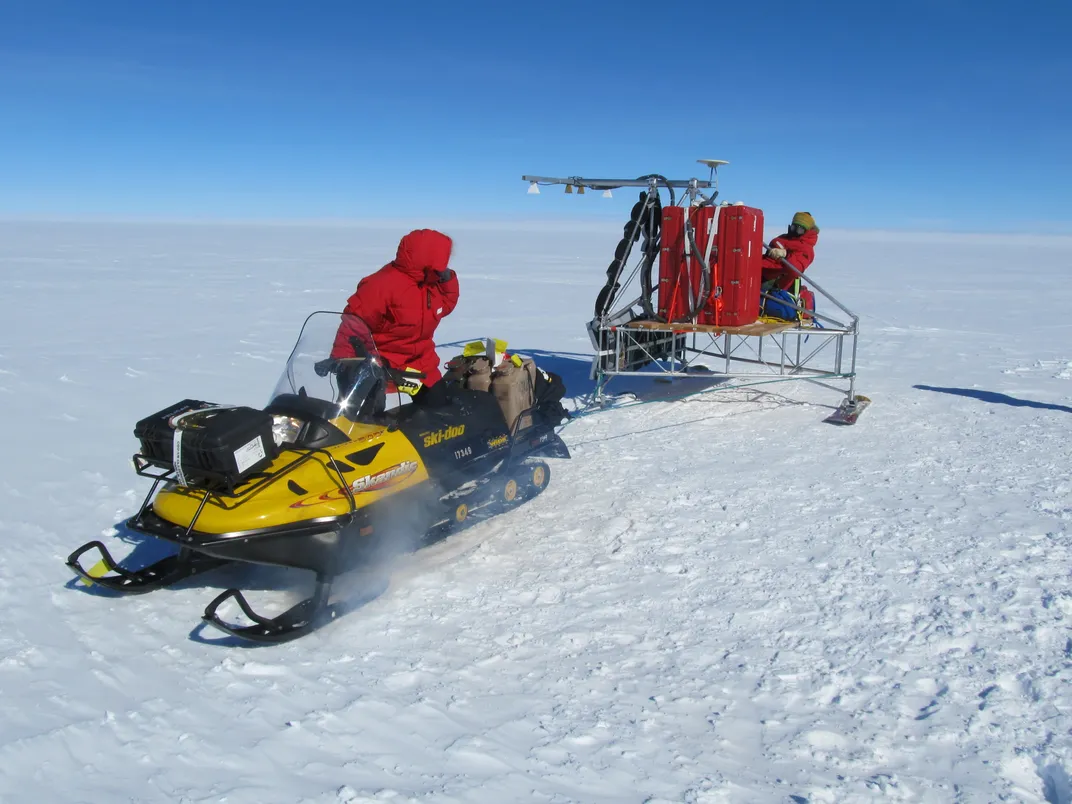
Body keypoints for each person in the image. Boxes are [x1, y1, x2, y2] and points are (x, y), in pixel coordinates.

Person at [331, 229, 459, 395]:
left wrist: (447, 279)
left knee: (439, 409)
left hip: (422, 362)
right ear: (428, 258)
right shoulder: (381, 285)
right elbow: (352, 326)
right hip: (383, 366)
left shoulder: (430, 283)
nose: (445, 264)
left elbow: (444, 306)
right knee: (368, 418)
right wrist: (343, 363)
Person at [761, 212, 820, 292]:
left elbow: (796, 270)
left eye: (799, 229)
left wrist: (786, 255)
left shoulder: (806, 249)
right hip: (761, 269)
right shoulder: (782, 239)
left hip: (775, 282)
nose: (795, 231)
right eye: (793, 227)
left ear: (806, 231)